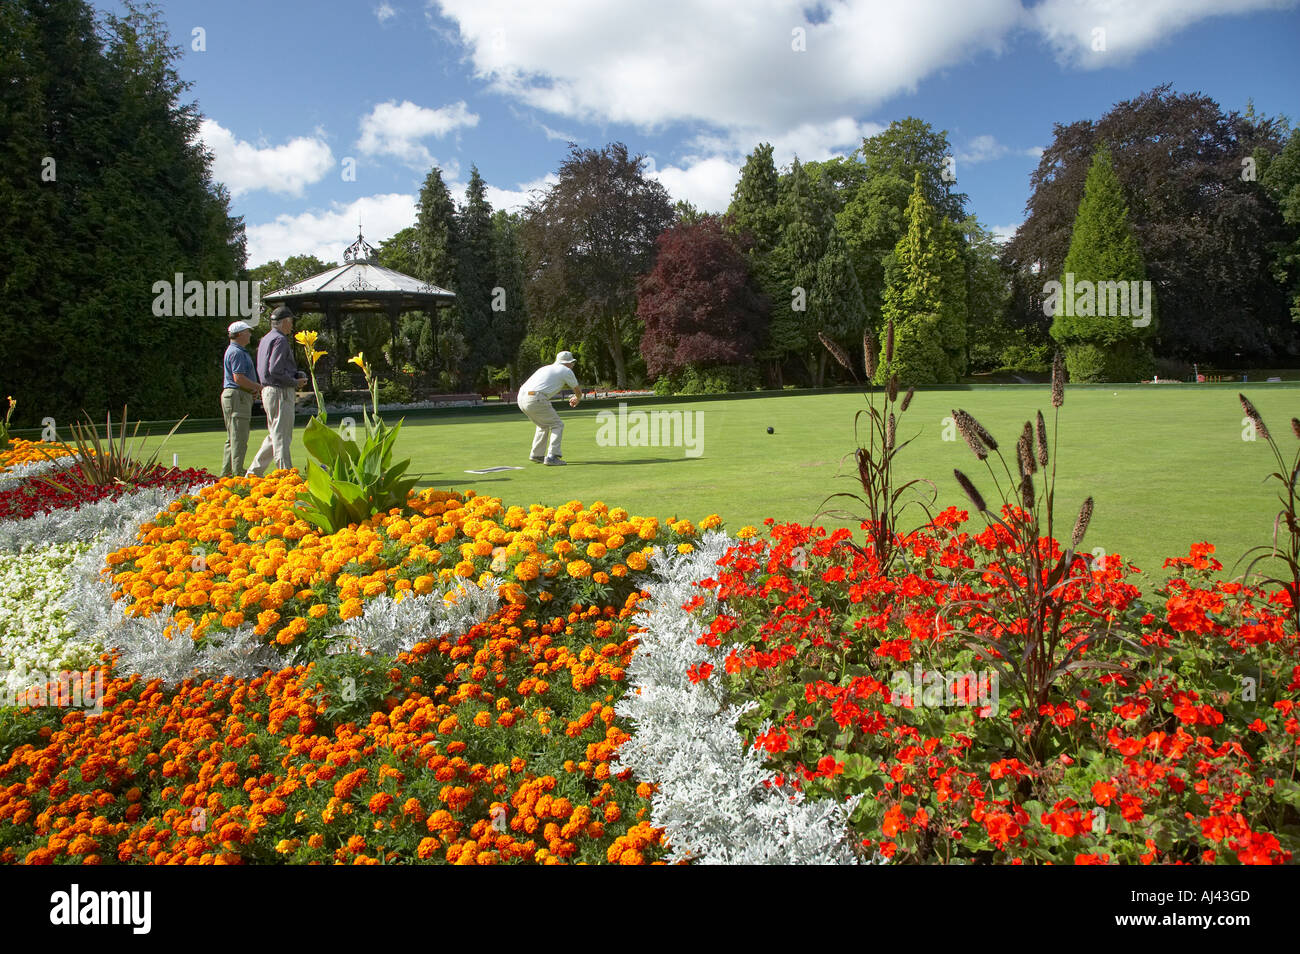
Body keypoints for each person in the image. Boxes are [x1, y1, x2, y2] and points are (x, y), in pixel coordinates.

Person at [246, 305, 308, 476]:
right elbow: (275, 370)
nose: (292, 326)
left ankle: (252, 474)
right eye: (291, 322)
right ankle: (286, 476)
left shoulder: (266, 338)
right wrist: (295, 381)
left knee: (274, 435)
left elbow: (270, 368)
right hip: (279, 391)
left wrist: (294, 375)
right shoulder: (280, 340)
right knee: (282, 436)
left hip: (269, 390)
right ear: (285, 321)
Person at [518, 351, 581, 465]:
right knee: (557, 424)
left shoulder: (545, 368)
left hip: (521, 398)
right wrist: (578, 398)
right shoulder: (566, 370)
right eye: (572, 363)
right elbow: (577, 390)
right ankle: (552, 456)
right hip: (535, 398)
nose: (572, 365)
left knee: (543, 425)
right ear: (567, 363)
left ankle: (537, 455)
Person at [220, 319, 261, 477]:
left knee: (234, 437)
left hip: (237, 395)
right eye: (247, 331)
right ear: (239, 334)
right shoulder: (236, 352)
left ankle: (228, 473)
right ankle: (236, 474)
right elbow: (239, 379)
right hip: (238, 396)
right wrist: (258, 387)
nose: (250, 334)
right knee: (239, 438)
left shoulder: (237, 350)